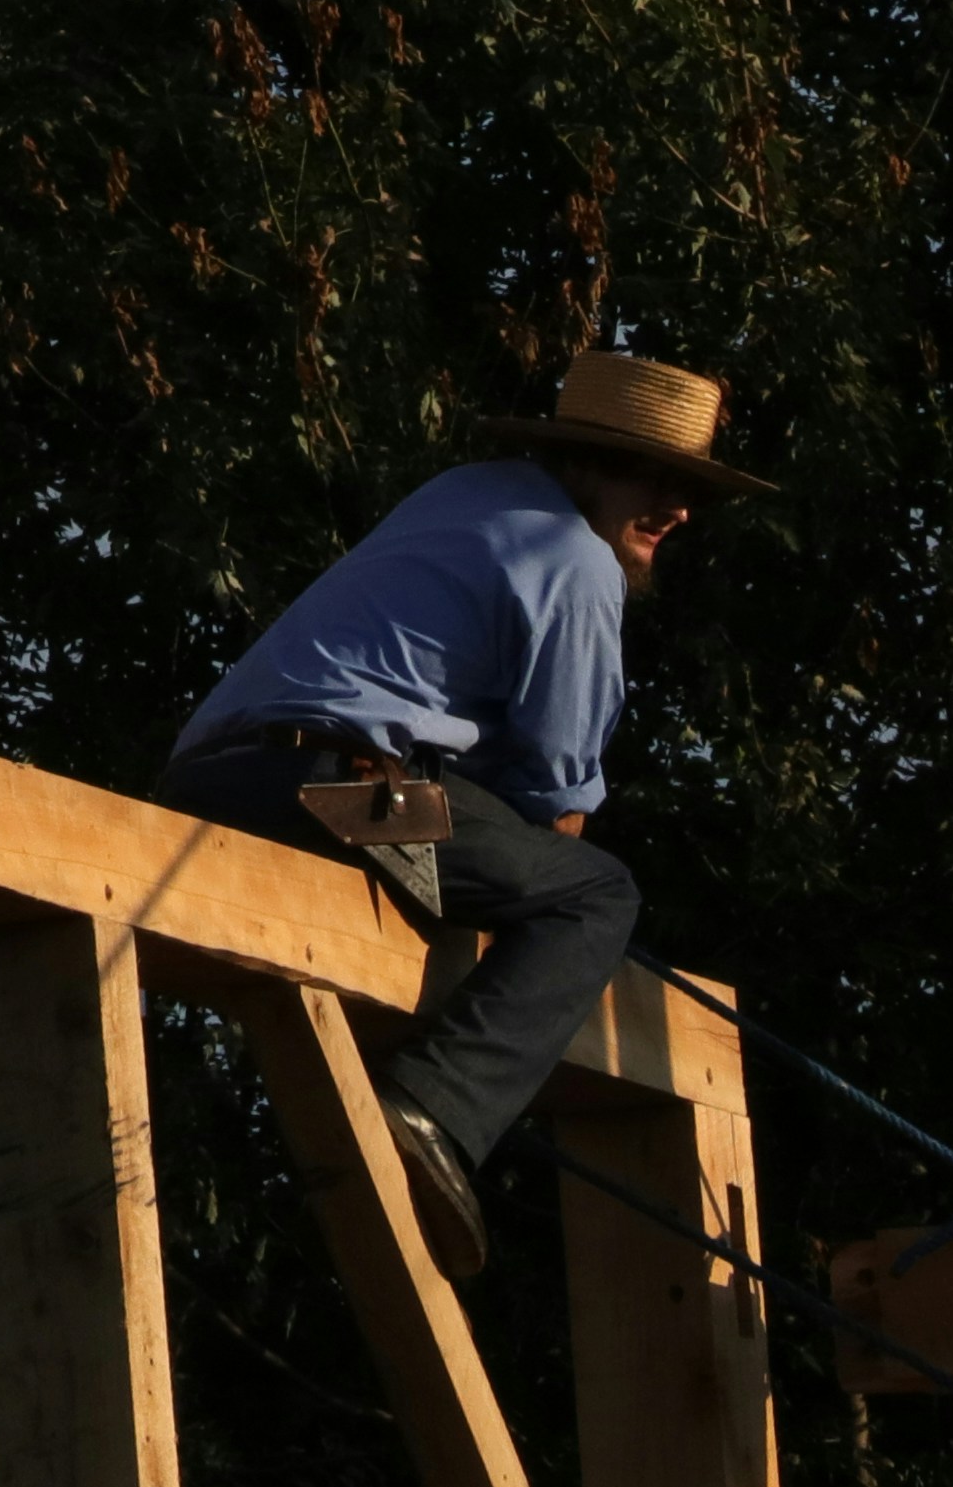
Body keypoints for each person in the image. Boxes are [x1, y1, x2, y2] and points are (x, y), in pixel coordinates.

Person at [162, 346, 753, 1277]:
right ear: (585, 463)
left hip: (221, 774)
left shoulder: (464, 494)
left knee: (502, 862)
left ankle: (405, 1088)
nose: (678, 509)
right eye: (659, 478)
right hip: (339, 785)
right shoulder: (573, 562)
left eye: (691, 492)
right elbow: (558, 807)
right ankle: (433, 1107)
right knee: (592, 897)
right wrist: (528, 944)